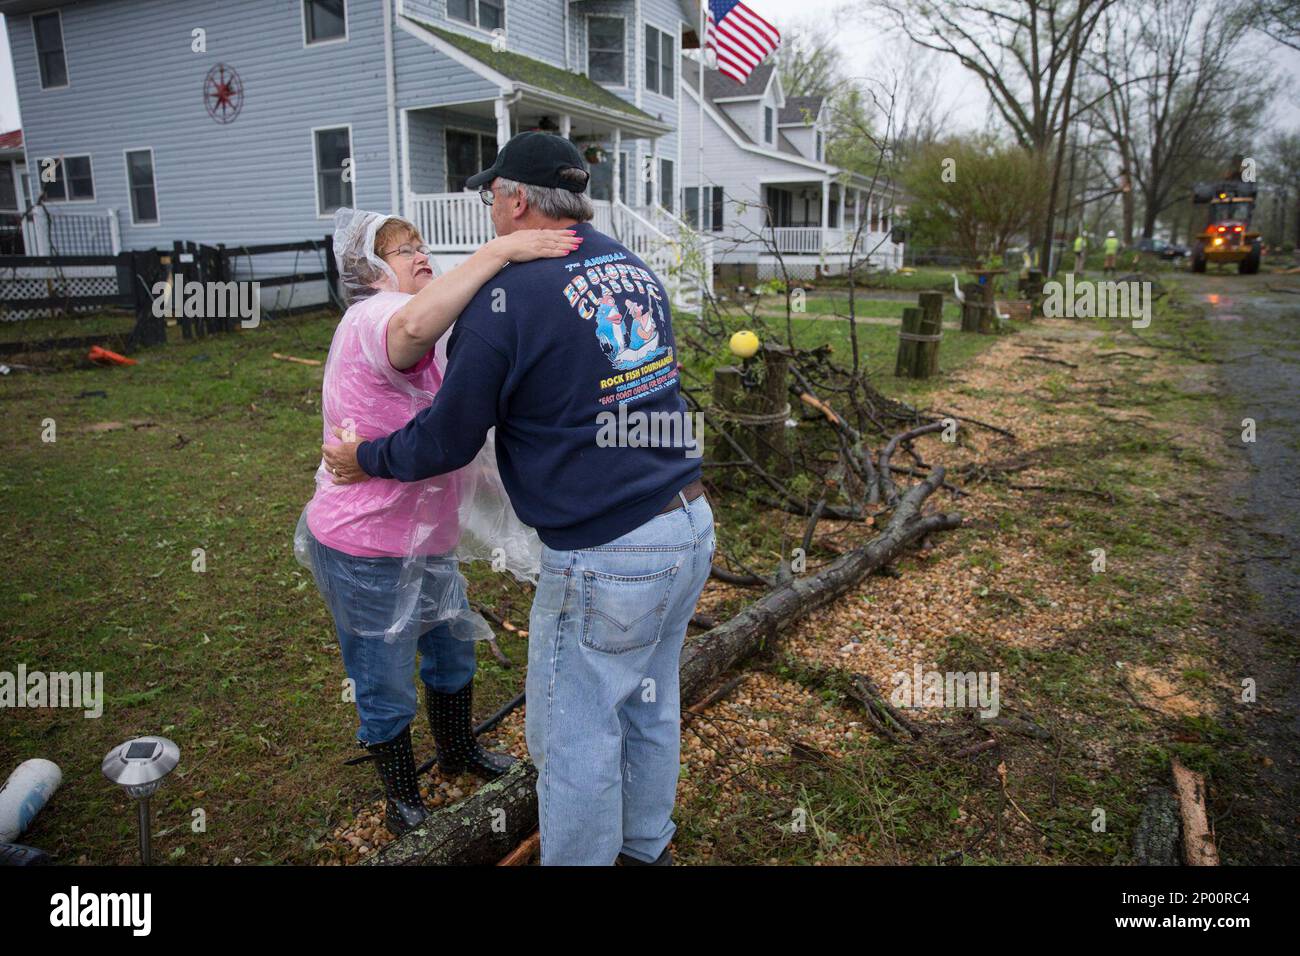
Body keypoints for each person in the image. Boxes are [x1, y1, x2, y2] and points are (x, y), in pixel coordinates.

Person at [322, 132, 714, 865]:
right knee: (649, 705)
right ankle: (645, 847)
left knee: (574, 737)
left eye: (490, 194)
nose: (487, 208)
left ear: (517, 200)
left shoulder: (505, 297)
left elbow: (443, 439)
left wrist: (364, 456)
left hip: (610, 553)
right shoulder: (632, 266)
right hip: (688, 523)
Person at [299, 206, 581, 836]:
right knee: (383, 676)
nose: (421, 256)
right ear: (370, 271)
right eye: (403, 252)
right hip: (364, 543)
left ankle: (458, 750)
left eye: (422, 246)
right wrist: (497, 252)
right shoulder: (372, 317)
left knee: (451, 650)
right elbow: (411, 328)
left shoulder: (428, 327)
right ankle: (402, 794)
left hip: (425, 537)